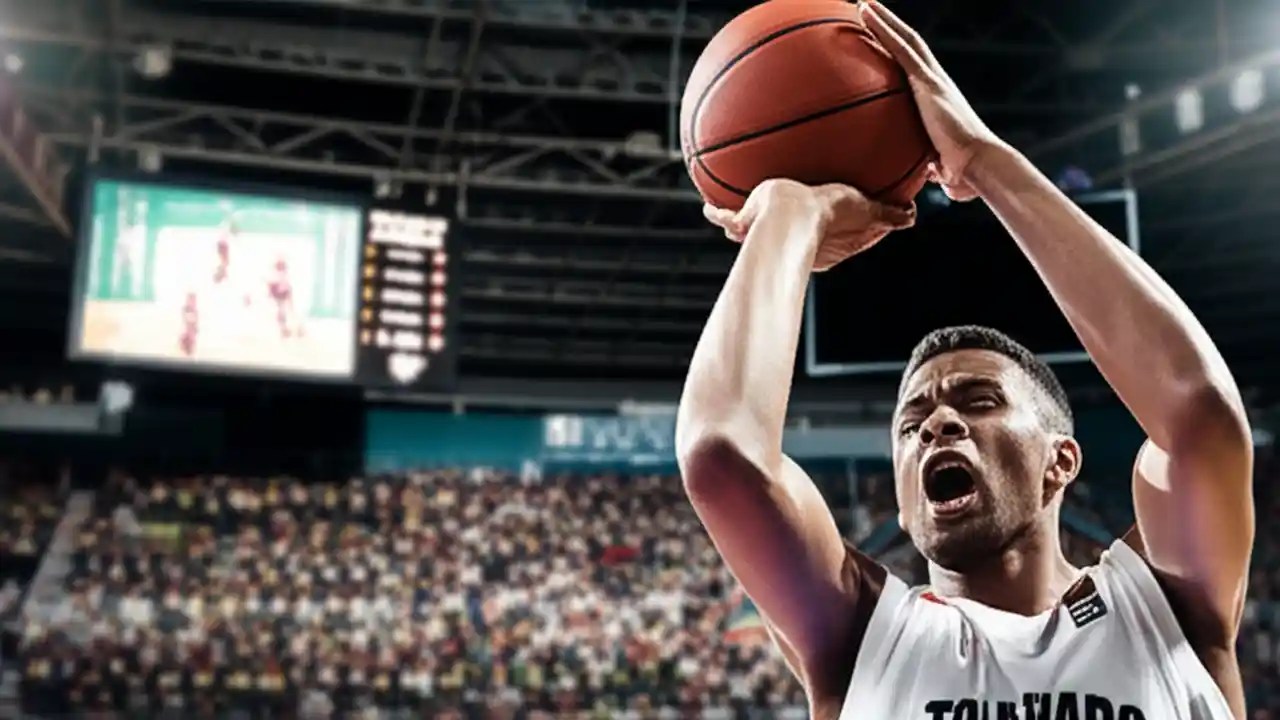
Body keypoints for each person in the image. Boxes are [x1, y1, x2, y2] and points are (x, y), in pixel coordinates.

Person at [675, 3, 1254, 720]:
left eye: (979, 401)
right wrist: (791, 213)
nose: (935, 422)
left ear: (1061, 461)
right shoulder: (861, 636)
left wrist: (984, 161)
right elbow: (722, 457)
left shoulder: (1167, 605)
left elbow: (1199, 415)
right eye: (911, 418)